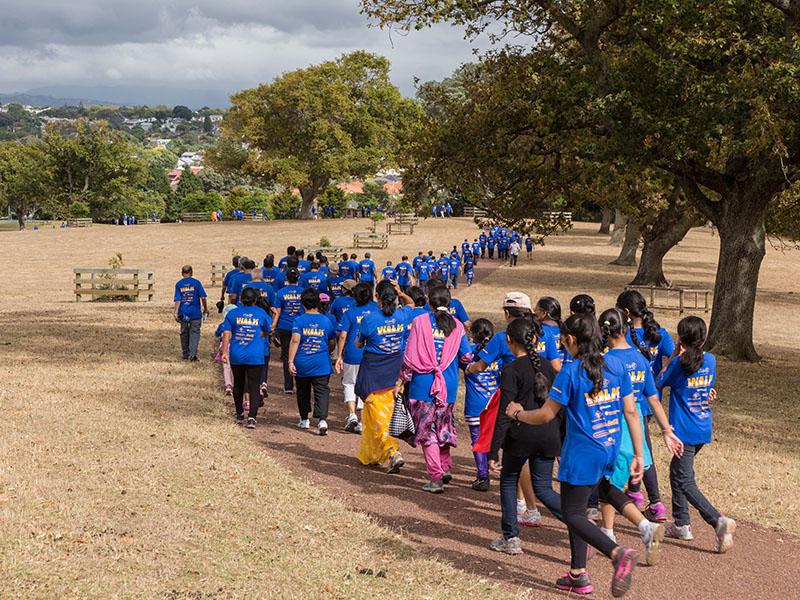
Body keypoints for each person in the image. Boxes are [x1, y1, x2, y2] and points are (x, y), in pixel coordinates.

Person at [505, 313, 645, 598]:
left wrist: (518, 413)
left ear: (570, 340)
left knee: (572, 514)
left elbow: (546, 415)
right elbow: (631, 411)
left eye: (561, 340)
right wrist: (639, 454)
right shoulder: (616, 365)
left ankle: (616, 553)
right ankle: (578, 575)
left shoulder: (570, 372)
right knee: (581, 506)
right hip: (610, 447)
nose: (560, 345)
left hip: (582, 454)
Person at [597, 308, 686, 565]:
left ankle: (639, 528)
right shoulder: (639, 359)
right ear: (626, 328)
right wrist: (667, 431)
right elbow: (654, 399)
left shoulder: (606, 361)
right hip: (636, 427)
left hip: (615, 428)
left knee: (609, 486)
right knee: (610, 487)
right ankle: (608, 533)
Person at [464, 291, 544, 526]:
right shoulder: (542, 332)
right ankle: (524, 503)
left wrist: (468, 369)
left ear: (507, 313)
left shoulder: (504, 337)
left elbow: (480, 365)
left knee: (516, 456)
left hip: (514, 400)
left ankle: (529, 507)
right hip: (542, 396)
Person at [658, 316, 735, 553]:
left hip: (683, 431)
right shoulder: (710, 360)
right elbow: (707, 387)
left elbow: (658, 382)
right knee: (677, 471)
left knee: (685, 480)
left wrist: (671, 357)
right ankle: (682, 523)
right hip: (703, 426)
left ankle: (717, 521)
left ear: (680, 338)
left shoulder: (678, 364)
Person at [488, 317, 561, 556]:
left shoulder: (510, 369)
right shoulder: (550, 366)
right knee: (544, 488)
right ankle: (579, 522)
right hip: (548, 433)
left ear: (509, 341)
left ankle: (511, 538)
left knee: (509, 480)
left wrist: (493, 449)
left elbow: (504, 412)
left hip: (520, 434)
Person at [397, 286, 472, 493]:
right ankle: (444, 467)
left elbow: (409, 357)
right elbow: (466, 356)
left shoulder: (420, 321)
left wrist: (402, 380)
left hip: (422, 385)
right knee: (443, 428)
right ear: (449, 303)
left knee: (427, 432)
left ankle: (436, 477)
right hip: (447, 386)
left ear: (429, 302)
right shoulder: (457, 326)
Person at [616, 290, 675, 513]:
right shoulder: (659, 333)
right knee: (638, 446)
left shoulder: (623, 335)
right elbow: (673, 355)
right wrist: (661, 377)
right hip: (649, 399)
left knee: (640, 449)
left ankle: (655, 501)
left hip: (628, 402)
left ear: (626, 312)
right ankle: (634, 491)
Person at [354, 283, 410, 473]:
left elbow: (358, 344)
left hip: (373, 375)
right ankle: (370, 454)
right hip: (394, 373)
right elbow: (413, 304)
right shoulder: (403, 315)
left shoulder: (369, 320)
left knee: (379, 417)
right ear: (395, 298)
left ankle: (392, 452)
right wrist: (401, 292)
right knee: (373, 416)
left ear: (377, 297)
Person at [220, 287, 270, 429]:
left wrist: (224, 352)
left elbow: (226, 334)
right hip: (255, 355)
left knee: (239, 385)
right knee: (254, 387)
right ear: (255, 300)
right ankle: (252, 418)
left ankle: (239, 414)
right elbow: (268, 330)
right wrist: (259, 336)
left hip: (237, 354)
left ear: (241, 299)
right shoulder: (261, 313)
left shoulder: (232, 314)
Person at [288, 288, 336, 435]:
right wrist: (327, 351)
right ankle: (322, 419)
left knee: (303, 391)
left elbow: (295, 340)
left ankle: (304, 419)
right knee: (321, 390)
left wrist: (290, 361)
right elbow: (332, 341)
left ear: (303, 303)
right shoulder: (326, 320)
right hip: (321, 362)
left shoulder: (299, 320)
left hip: (302, 362)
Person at [335, 282, 378, 433]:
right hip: (371, 353)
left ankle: (352, 414)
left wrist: (339, 355)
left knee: (349, 383)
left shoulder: (350, 312)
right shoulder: (376, 309)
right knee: (366, 386)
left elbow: (343, 335)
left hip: (352, 353)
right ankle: (362, 420)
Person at [462, 319, 500, 491]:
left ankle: (483, 476)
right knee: (499, 440)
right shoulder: (498, 352)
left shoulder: (467, 352)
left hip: (475, 405)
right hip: (495, 404)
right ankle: (506, 474)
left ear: (473, 335)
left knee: (477, 441)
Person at [274, 269, 304, 394]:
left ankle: (288, 386)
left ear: (286, 278)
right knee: (300, 354)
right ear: (298, 278)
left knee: (287, 355)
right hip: (300, 327)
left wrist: (274, 328)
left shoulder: (280, 293)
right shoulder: (303, 292)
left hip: (285, 326)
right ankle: (301, 384)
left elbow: (278, 312)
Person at [173, 265, 208, 361]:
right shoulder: (196, 283)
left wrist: (175, 312)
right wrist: (205, 308)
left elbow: (178, 299)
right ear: (192, 272)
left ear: (182, 273)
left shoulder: (179, 284)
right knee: (195, 332)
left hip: (183, 313)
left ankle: (185, 353)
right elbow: (203, 297)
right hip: (195, 312)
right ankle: (192, 354)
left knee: (184, 332)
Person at [534, 296, 564, 372]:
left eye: (536, 309)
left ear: (544, 313)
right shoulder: (566, 331)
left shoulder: (540, 332)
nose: (534, 312)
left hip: (547, 376)